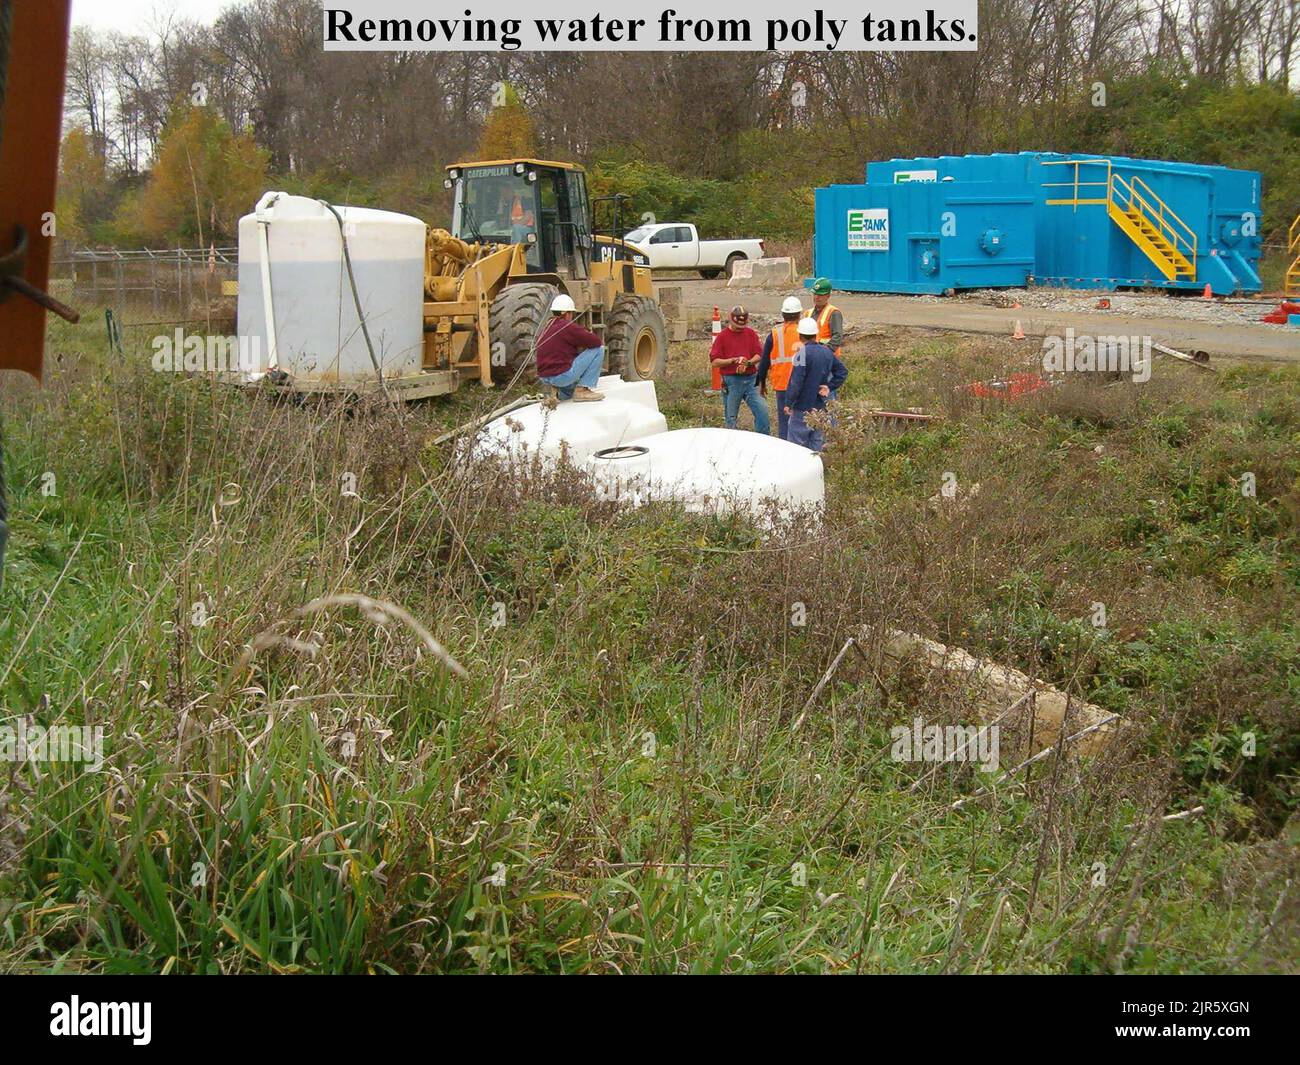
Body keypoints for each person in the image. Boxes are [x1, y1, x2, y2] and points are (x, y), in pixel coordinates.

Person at [784, 317, 847, 453]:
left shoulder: (801, 353)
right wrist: (829, 386)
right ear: (815, 334)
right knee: (815, 447)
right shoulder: (826, 352)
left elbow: (796, 381)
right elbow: (842, 372)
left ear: (800, 335)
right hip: (820, 408)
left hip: (802, 408)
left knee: (796, 448)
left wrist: (789, 402)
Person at [709, 305, 770, 434]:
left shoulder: (750, 333)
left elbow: (759, 354)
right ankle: (731, 442)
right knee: (731, 418)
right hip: (732, 382)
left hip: (751, 380)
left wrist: (748, 363)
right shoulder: (722, 337)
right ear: (730, 319)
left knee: (762, 410)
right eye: (737, 326)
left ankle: (763, 439)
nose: (740, 329)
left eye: (742, 326)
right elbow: (715, 362)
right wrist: (732, 361)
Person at [535, 293, 605, 401]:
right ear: (567, 314)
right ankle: (582, 391)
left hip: (545, 378)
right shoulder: (567, 326)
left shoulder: (546, 327)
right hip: (561, 377)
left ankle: (557, 393)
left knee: (570, 391)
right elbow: (595, 342)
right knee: (599, 349)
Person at [756, 295, 805, 441]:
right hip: (802, 384)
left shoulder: (775, 334)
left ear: (783, 315)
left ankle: (785, 449)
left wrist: (762, 383)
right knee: (802, 421)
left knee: (784, 423)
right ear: (799, 314)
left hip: (782, 384)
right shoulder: (805, 333)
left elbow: (764, 361)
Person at [809, 277, 843, 401]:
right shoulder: (808, 313)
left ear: (828, 295)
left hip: (828, 362)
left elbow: (837, 337)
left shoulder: (833, 313)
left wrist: (824, 354)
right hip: (812, 362)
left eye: (820, 295)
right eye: (815, 294)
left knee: (828, 398)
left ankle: (831, 420)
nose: (817, 297)